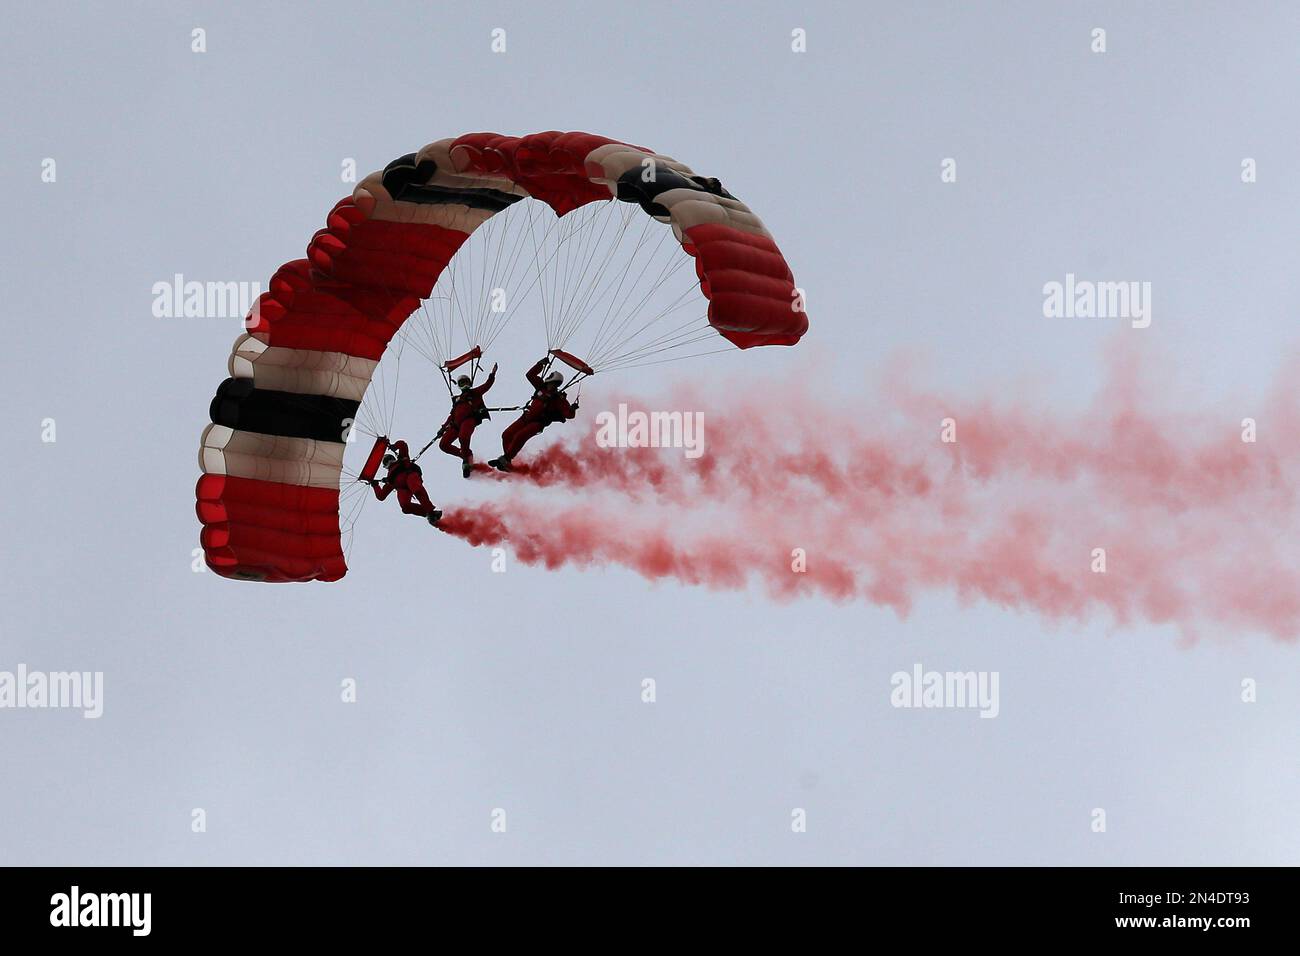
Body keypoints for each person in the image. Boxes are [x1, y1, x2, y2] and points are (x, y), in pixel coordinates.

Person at [488, 358, 579, 471]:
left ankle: (505, 459)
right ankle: (507, 462)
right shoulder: (541, 386)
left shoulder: (559, 399)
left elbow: (568, 415)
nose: (552, 386)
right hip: (526, 417)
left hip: (538, 423)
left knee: (520, 436)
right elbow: (530, 375)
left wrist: (573, 408)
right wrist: (540, 364)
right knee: (506, 435)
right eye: (552, 383)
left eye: (555, 384)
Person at [438, 363, 497, 477]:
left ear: (469, 383)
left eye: (466, 382)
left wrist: (492, 374)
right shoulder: (457, 400)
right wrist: (443, 428)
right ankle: (466, 456)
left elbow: (487, 385)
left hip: (469, 420)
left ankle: (466, 460)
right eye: (461, 383)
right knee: (443, 444)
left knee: (463, 437)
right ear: (459, 385)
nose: (464, 384)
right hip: (455, 424)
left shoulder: (475, 393)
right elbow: (452, 415)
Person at [370, 440, 441, 524]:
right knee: (405, 507)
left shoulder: (402, 460)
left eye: (389, 459)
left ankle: (430, 511)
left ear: (393, 458)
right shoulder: (390, 480)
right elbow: (381, 496)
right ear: (385, 466)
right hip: (402, 488)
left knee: (416, 489)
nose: (389, 461)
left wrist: (394, 446)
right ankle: (429, 514)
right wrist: (375, 485)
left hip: (410, 476)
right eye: (386, 461)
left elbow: (403, 445)